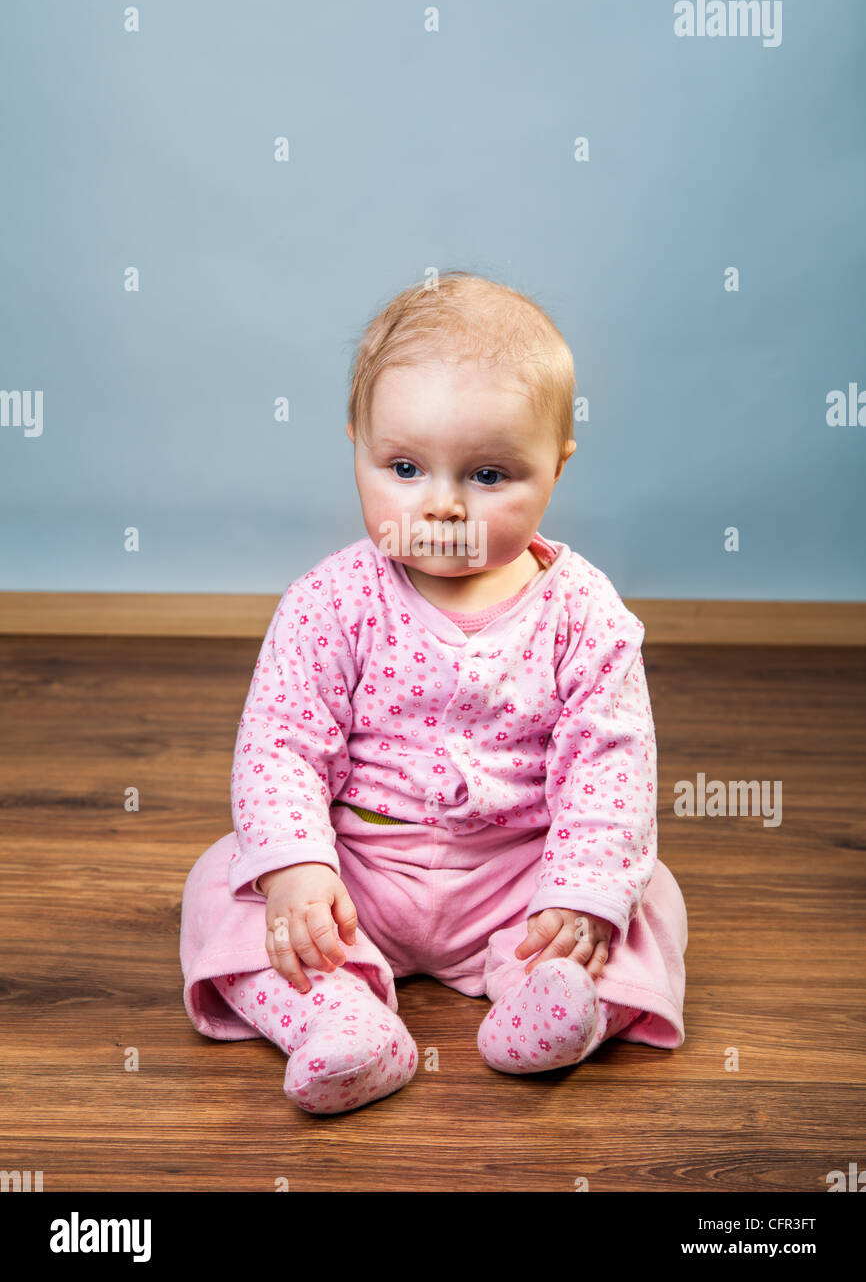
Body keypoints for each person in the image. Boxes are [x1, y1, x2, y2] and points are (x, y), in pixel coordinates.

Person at [179, 270, 688, 1115]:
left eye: (489, 475)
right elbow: (280, 743)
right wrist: (300, 869)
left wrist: (579, 895)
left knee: (643, 897)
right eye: (406, 468)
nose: (443, 506)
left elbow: (612, 765)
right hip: (359, 871)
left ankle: (557, 1001)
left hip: (518, 874)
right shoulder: (330, 602)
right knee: (224, 883)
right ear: (356, 444)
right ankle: (338, 1020)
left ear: (557, 468)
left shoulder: (584, 613)